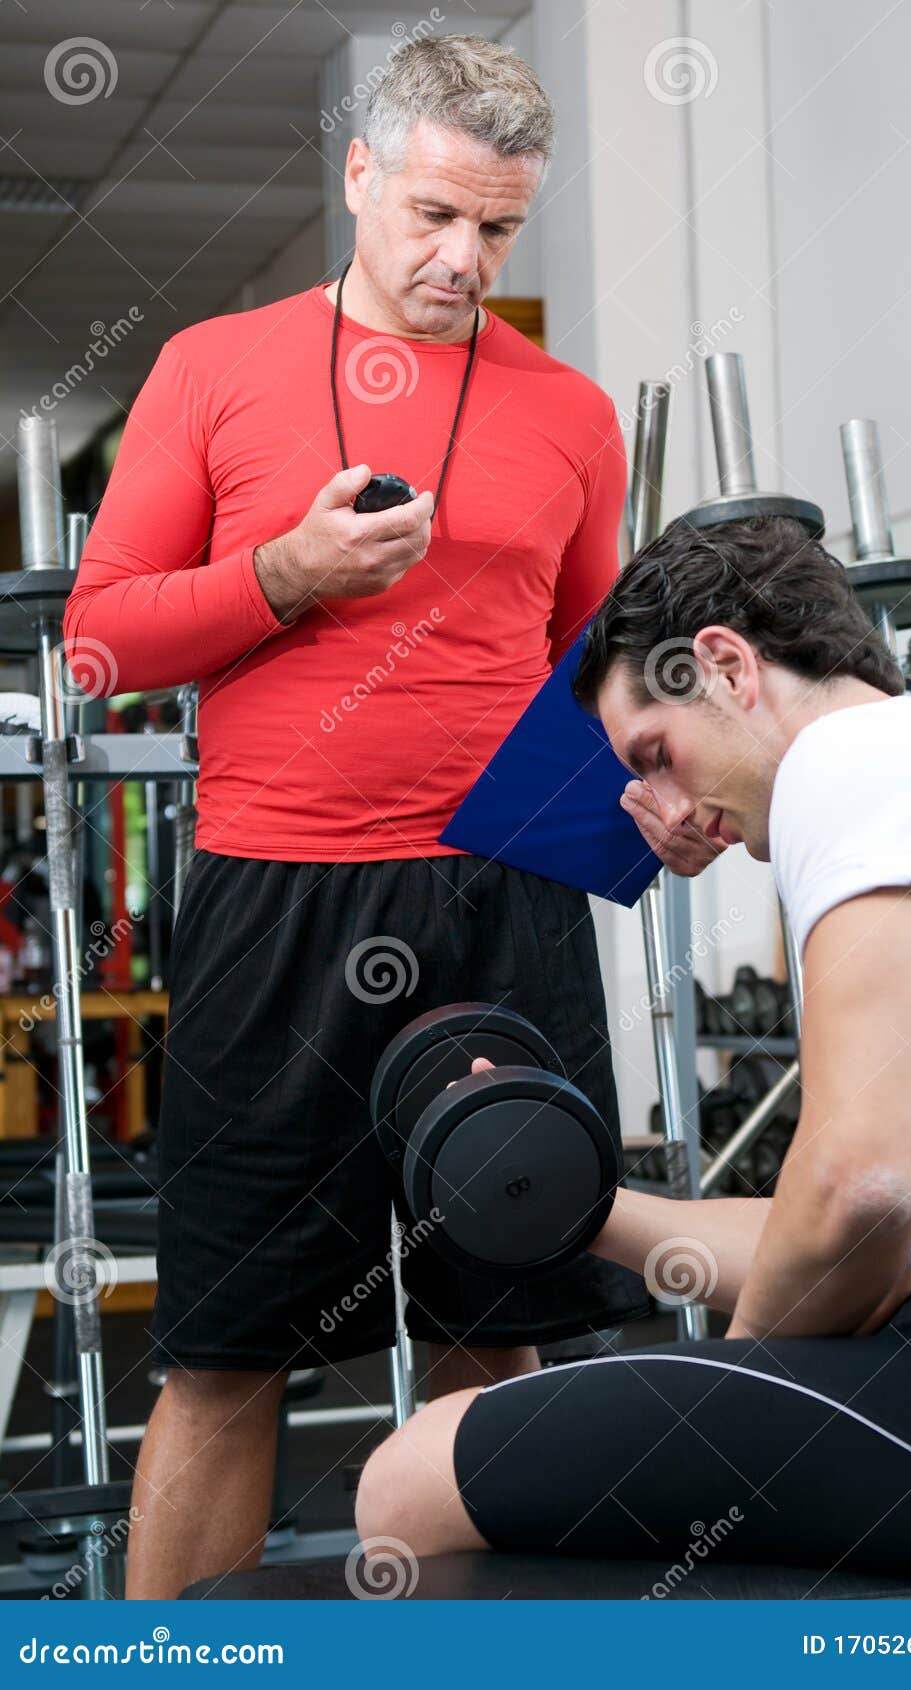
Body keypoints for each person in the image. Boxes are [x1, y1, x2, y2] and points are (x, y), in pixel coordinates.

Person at [63, 35, 703, 1600]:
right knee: (225, 1345)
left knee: (502, 1323)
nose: (456, 260)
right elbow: (101, 637)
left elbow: (591, 675)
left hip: (504, 903)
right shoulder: (215, 366)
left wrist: (662, 795)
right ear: (354, 175)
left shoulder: (565, 413)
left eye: (494, 229)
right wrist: (282, 577)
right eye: (428, 215)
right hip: (279, 902)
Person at [354, 516, 911, 1597]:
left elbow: (863, 1186)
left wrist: (728, 1371)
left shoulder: (851, 754)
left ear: (727, 665)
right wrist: (584, 1209)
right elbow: (872, 1219)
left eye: (655, 755)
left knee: (407, 1481)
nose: (665, 811)